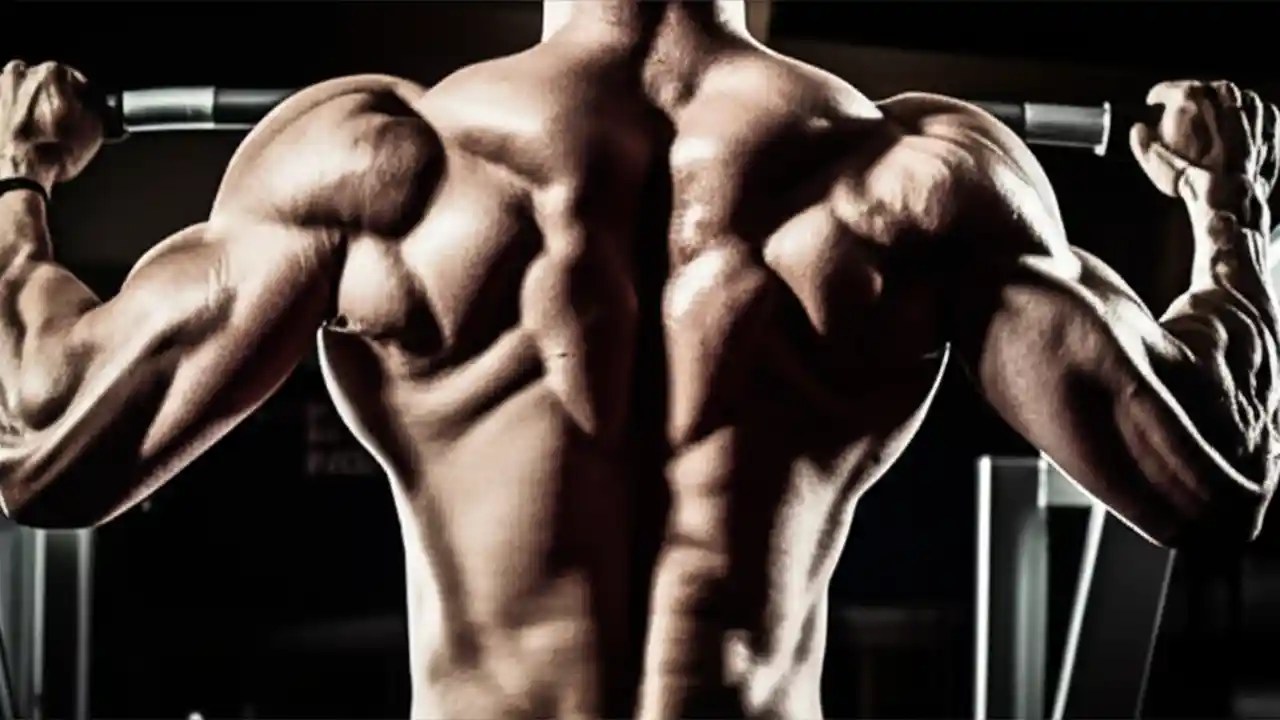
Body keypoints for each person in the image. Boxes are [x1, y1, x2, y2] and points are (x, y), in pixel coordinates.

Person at [0, 1, 1276, 717]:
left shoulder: (384, 166)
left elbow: (46, 449)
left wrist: (18, 178)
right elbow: (1213, 476)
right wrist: (1231, 212)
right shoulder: (903, 183)